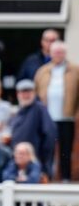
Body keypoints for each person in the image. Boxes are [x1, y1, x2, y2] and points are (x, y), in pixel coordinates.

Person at [34, 41, 79, 181]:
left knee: (66, 149)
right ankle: (48, 175)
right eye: (55, 52)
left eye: (60, 52)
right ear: (51, 53)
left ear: (65, 54)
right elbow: (36, 91)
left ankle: (65, 177)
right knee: (48, 148)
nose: (58, 55)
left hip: (67, 117)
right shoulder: (43, 71)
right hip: (48, 117)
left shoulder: (75, 70)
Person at [4, 80, 56, 179]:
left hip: (35, 163)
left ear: (34, 93)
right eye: (23, 92)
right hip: (18, 164)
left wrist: (43, 160)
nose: (26, 95)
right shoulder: (18, 111)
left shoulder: (39, 109)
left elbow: (50, 135)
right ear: (18, 94)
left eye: (29, 92)